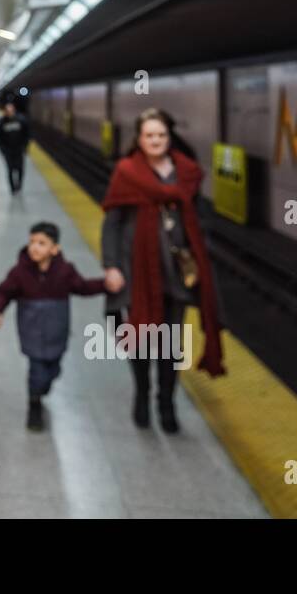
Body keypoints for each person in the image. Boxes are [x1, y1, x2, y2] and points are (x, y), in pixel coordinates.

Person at [100, 108, 225, 434]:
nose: (155, 141)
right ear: (139, 140)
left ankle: (165, 403)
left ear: (170, 138)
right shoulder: (126, 173)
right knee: (140, 339)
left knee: (171, 344)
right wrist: (111, 266)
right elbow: (111, 223)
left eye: (161, 135)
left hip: (176, 274)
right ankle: (142, 395)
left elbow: (198, 220)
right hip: (135, 270)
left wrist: (200, 255)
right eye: (149, 136)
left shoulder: (187, 174)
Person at [0, 222, 116, 431]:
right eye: (31, 242)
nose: (34, 247)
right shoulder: (19, 273)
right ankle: (34, 405)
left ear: (54, 249)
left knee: (53, 368)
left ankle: (42, 388)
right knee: (37, 371)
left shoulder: (65, 272)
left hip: (57, 333)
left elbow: (82, 287)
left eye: (41, 243)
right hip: (31, 332)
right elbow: (4, 292)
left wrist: (105, 285)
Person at [0, 101, 30, 194]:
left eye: (11, 110)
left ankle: (19, 186)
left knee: (20, 169)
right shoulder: (2, 122)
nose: (9, 112)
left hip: (19, 150)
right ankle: (12, 188)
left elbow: (27, 134)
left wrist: (25, 146)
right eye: (7, 110)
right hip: (8, 151)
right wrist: (3, 149)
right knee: (10, 169)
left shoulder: (21, 120)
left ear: (14, 110)